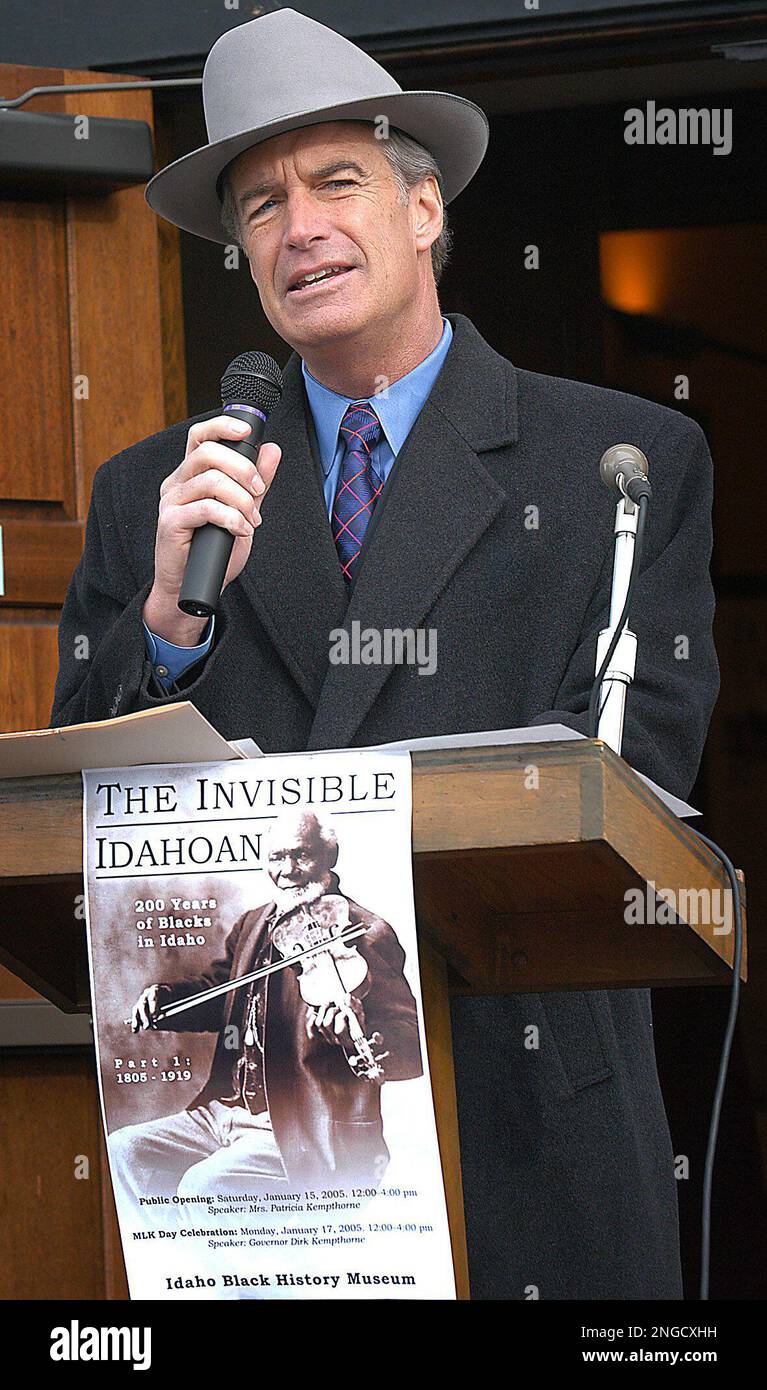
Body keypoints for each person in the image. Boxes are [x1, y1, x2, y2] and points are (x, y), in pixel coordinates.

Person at [51, 10, 719, 1298]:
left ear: (424, 212)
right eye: (257, 205)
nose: (296, 226)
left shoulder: (615, 463)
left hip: (526, 1111)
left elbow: (641, 777)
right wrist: (170, 629)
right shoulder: (159, 492)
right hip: (266, 1151)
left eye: (334, 182)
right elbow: (78, 812)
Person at [110, 810, 422, 1203]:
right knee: (125, 1151)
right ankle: (189, 1265)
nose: (288, 870)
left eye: (302, 855)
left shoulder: (365, 932)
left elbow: (411, 1043)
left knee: (203, 1187)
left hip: (300, 1122)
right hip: (224, 1109)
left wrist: (357, 1036)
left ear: (331, 856)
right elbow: (220, 992)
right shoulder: (254, 923)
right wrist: (167, 1000)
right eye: (276, 857)